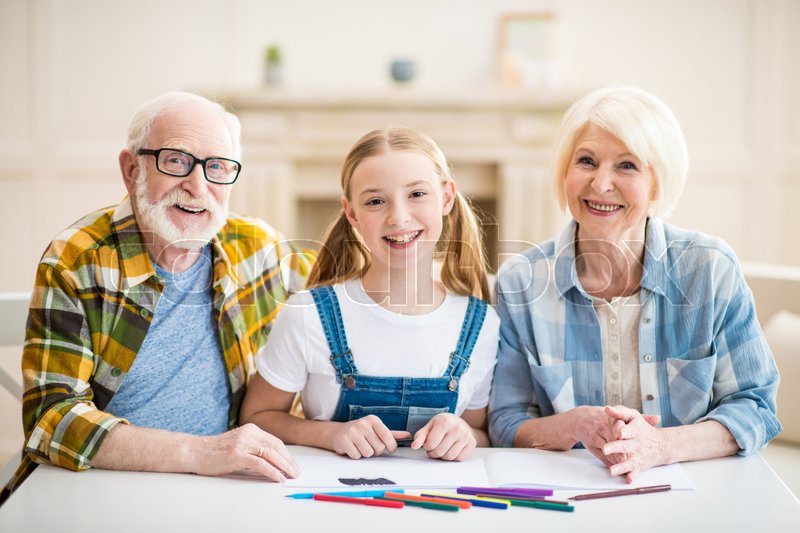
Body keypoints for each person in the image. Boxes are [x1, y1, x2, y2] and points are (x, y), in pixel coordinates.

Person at [2, 91, 312, 502]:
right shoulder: (77, 260)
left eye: (217, 167)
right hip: (104, 489)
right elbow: (51, 419)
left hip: (233, 490)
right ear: (131, 170)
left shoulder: (258, 247)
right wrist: (200, 452)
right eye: (176, 160)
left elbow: (351, 296)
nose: (197, 185)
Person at [488, 87, 781, 481]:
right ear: (564, 172)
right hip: (566, 496)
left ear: (658, 183)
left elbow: (755, 407)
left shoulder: (709, 269)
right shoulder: (520, 281)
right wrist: (574, 424)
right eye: (586, 161)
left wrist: (660, 446)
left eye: (627, 166)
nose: (601, 183)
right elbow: (505, 420)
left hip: (694, 494)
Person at [240, 127, 499, 462]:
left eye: (417, 194)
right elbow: (256, 419)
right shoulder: (307, 314)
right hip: (333, 502)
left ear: (446, 198)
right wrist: (330, 434)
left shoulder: (481, 324)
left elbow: (481, 430)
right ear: (352, 214)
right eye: (376, 201)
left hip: (440, 503)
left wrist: (465, 435)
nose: (399, 217)